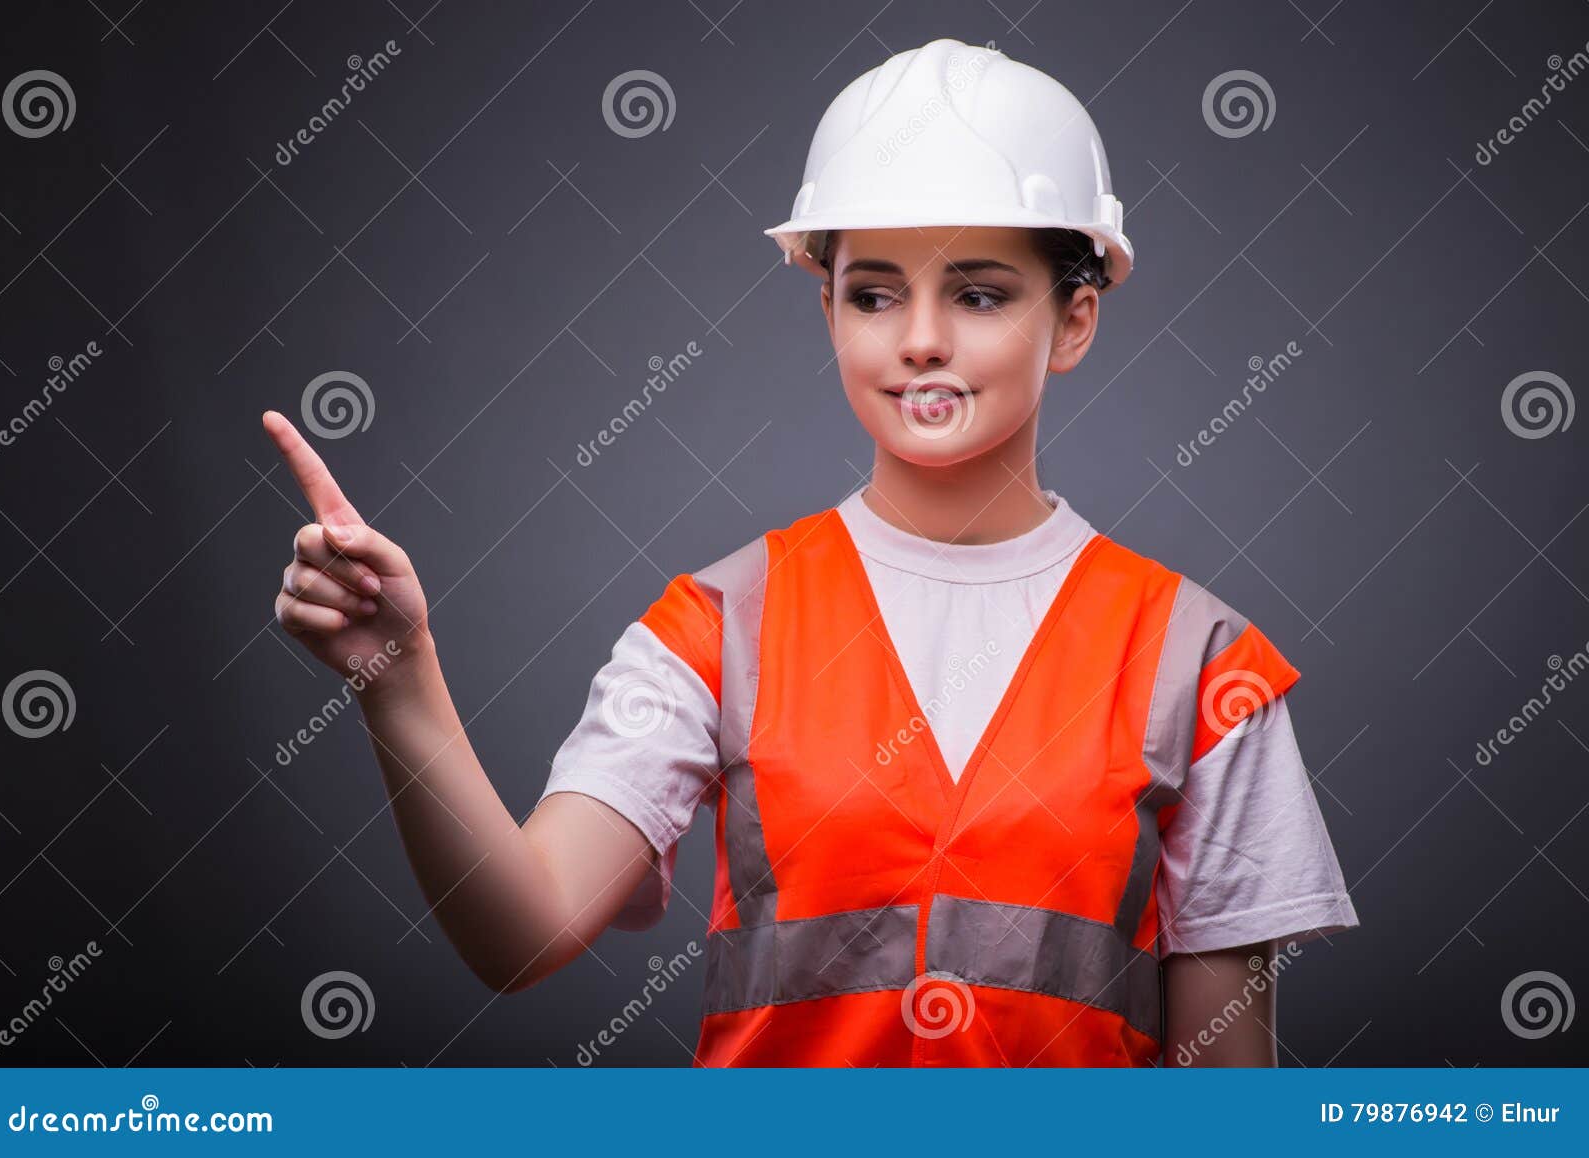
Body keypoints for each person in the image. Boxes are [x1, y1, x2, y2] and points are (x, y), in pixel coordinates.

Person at [263, 38, 1358, 1067]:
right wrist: (397, 681)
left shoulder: (1201, 663)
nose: (919, 336)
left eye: (979, 293)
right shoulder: (714, 627)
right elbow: (523, 934)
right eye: (874, 292)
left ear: (1074, 321)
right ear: (826, 306)